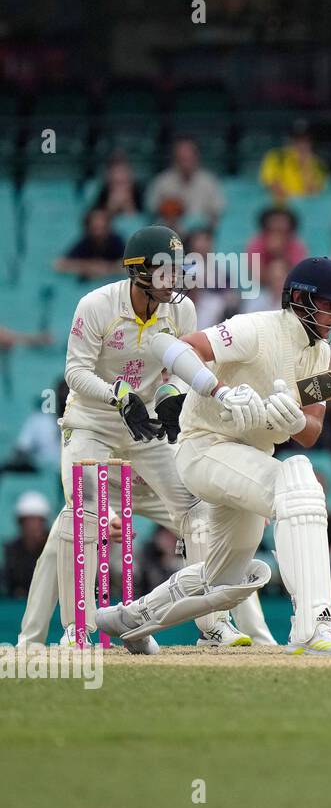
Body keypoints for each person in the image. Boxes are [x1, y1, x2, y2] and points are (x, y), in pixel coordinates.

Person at [96, 256, 331, 655]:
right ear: (301, 298)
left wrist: (292, 422)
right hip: (205, 447)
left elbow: (312, 431)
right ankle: (313, 627)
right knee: (298, 481)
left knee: (224, 579)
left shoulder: (319, 354)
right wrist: (220, 390)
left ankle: (128, 619)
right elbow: (177, 347)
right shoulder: (257, 329)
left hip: (248, 461)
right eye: (329, 304)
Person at [26, 225, 263, 651]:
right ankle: (77, 630)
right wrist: (119, 396)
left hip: (146, 428)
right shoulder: (96, 305)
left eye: (176, 270)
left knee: (197, 511)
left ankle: (212, 625)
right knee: (86, 513)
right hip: (91, 424)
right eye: (163, 271)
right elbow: (75, 373)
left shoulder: (182, 311)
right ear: (138, 272)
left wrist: (172, 396)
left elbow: (176, 369)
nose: (172, 279)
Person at [146, 137, 226, 228]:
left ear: (196, 158)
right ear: (175, 159)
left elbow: (217, 212)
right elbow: (151, 210)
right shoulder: (162, 182)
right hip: (170, 232)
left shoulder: (209, 181)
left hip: (200, 234)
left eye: (189, 158)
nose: (185, 164)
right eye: (182, 159)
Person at [259, 121, 328, 199]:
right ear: (290, 140)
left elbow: (313, 194)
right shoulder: (276, 157)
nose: (301, 144)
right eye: (297, 140)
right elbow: (273, 186)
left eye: (305, 140)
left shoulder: (319, 164)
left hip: (305, 207)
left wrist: (306, 166)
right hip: (281, 206)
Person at [55, 208, 125, 281]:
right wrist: (88, 266)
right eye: (96, 228)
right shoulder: (85, 242)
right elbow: (59, 265)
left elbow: (130, 265)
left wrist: (108, 268)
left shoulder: (116, 241)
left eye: (102, 227)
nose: (99, 232)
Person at [5, 491, 51, 597]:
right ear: (20, 523)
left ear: (43, 522)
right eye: (27, 520)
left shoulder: (56, 549)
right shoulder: (11, 550)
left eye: (36, 520)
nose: (32, 526)